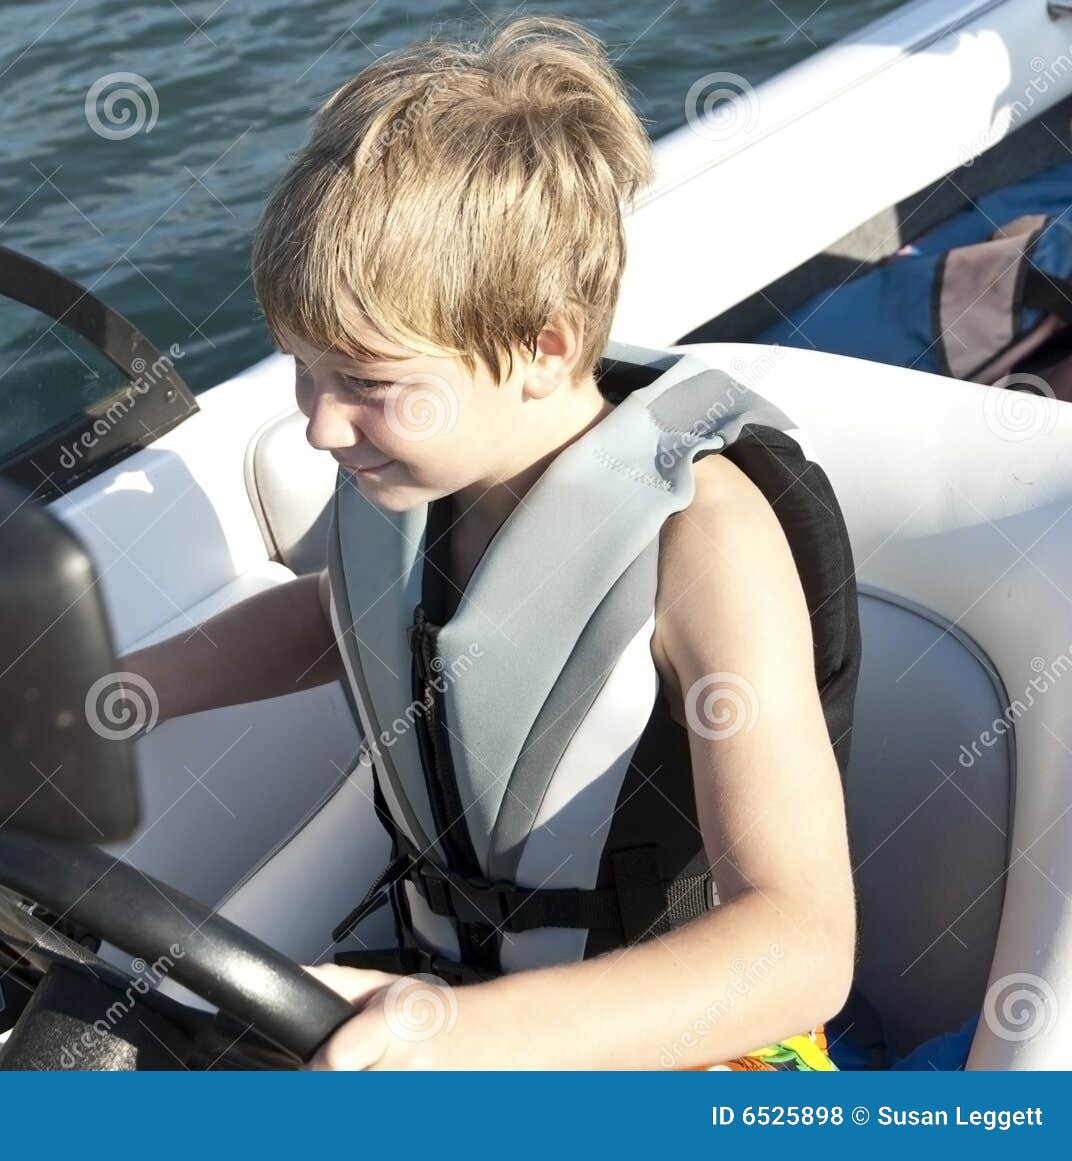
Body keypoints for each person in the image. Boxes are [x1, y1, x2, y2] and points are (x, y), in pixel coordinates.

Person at [116, 15, 858, 1070]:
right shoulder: (419, 478)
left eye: (366, 382)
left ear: (544, 347)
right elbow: (339, 621)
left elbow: (803, 949)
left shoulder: (708, 539)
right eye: (302, 371)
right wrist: (119, 691)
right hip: (449, 991)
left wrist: (461, 1034)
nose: (319, 426)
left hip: (694, 1058)